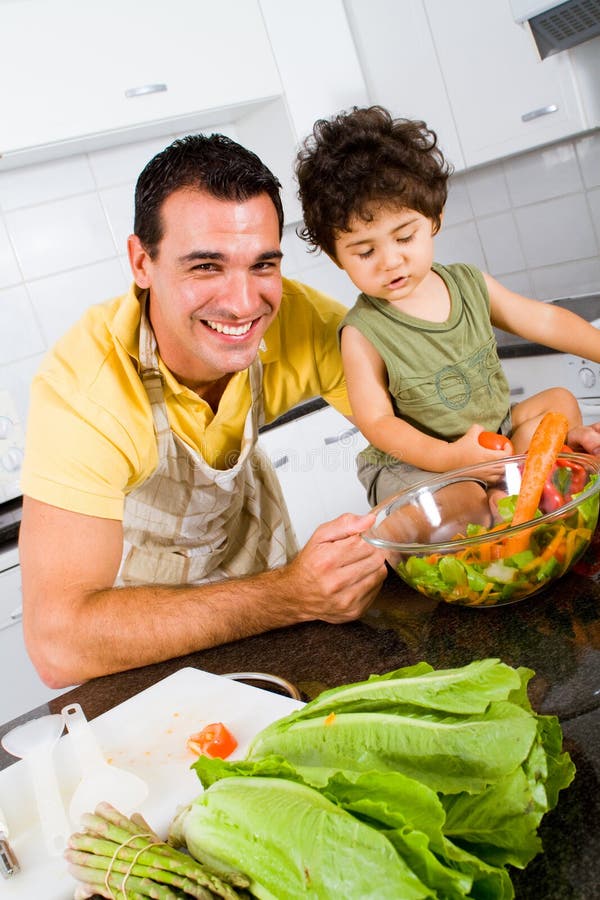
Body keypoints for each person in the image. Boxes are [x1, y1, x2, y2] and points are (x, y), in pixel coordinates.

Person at [19, 133, 387, 688]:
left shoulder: (301, 319)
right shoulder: (85, 390)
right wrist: (290, 594)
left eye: (263, 265)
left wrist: (521, 432)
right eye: (206, 267)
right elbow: (59, 643)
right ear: (143, 262)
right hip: (145, 654)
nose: (244, 303)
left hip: (279, 612)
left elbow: (425, 428)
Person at [295, 106, 600, 506]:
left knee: (560, 400)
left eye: (404, 238)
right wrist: (453, 459)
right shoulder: (362, 332)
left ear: (434, 218)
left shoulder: (469, 285)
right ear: (338, 257)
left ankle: (517, 489)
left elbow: (544, 319)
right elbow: (378, 422)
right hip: (419, 461)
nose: (391, 261)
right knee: (460, 504)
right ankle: (499, 494)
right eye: (365, 251)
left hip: (491, 433)